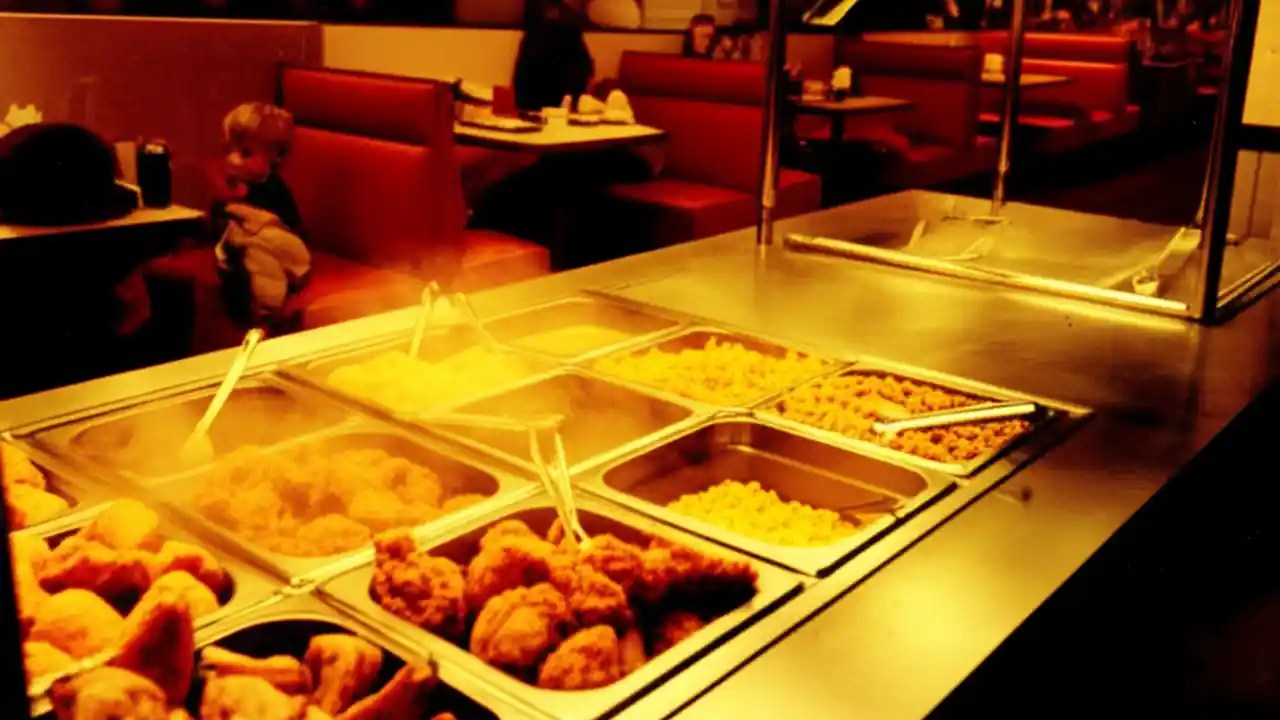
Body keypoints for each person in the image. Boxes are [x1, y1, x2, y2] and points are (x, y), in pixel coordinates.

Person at [116, 102, 308, 348]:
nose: (233, 159)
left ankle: (263, 315)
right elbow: (216, 221)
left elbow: (285, 232)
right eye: (230, 150)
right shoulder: (232, 184)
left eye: (246, 153)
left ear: (275, 157)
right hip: (230, 247)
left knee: (250, 264)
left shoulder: (272, 190)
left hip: (267, 250)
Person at [513, 0, 595, 111]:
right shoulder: (569, 32)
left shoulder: (535, 35)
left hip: (534, 104)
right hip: (563, 104)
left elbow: (520, 78)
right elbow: (586, 71)